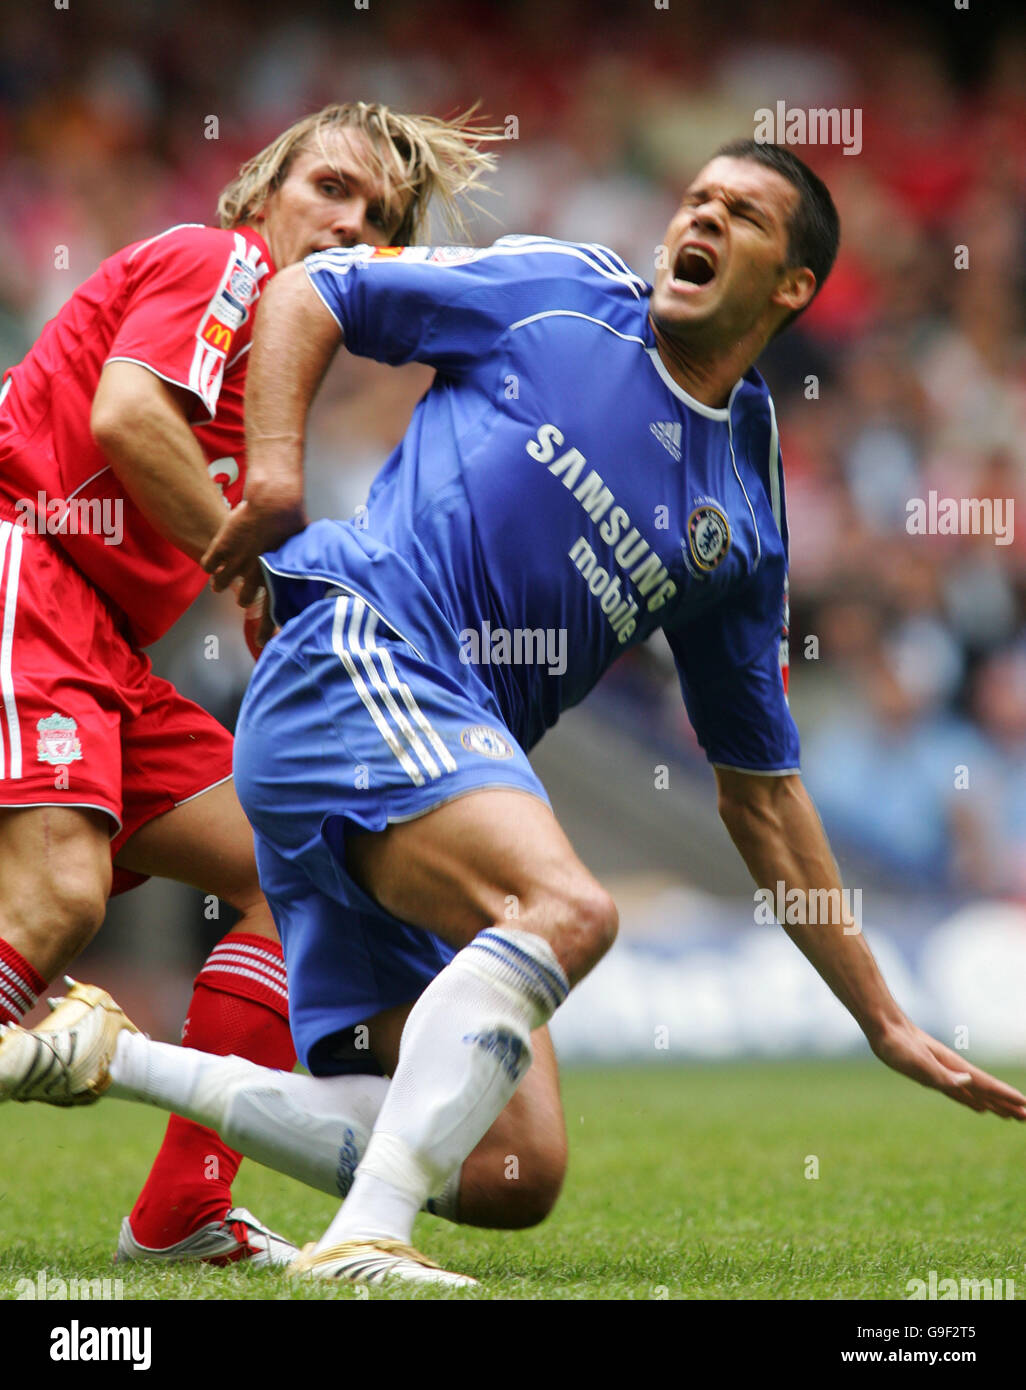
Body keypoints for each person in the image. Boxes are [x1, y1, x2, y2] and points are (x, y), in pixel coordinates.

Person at [4, 141, 1024, 1289]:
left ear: (793, 286)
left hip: (432, 772)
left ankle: (115, 1067)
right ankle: (363, 1237)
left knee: (508, 1167)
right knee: (570, 906)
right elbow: (309, 290)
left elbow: (762, 790)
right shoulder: (566, 293)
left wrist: (880, 1016)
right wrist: (276, 479)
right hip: (362, 652)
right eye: (696, 197)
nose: (701, 217)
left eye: (740, 214)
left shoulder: (741, 505)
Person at [0, 101, 504, 1266]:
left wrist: (247, 565)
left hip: (102, 647)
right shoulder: (218, 259)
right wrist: (272, 566)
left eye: (377, 220)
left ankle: (182, 1208)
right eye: (330, 188)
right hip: (28, 566)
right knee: (62, 896)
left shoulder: (261, 377)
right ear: (257, 196)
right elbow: (126, 415)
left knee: (302, 863)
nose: (347, 225)